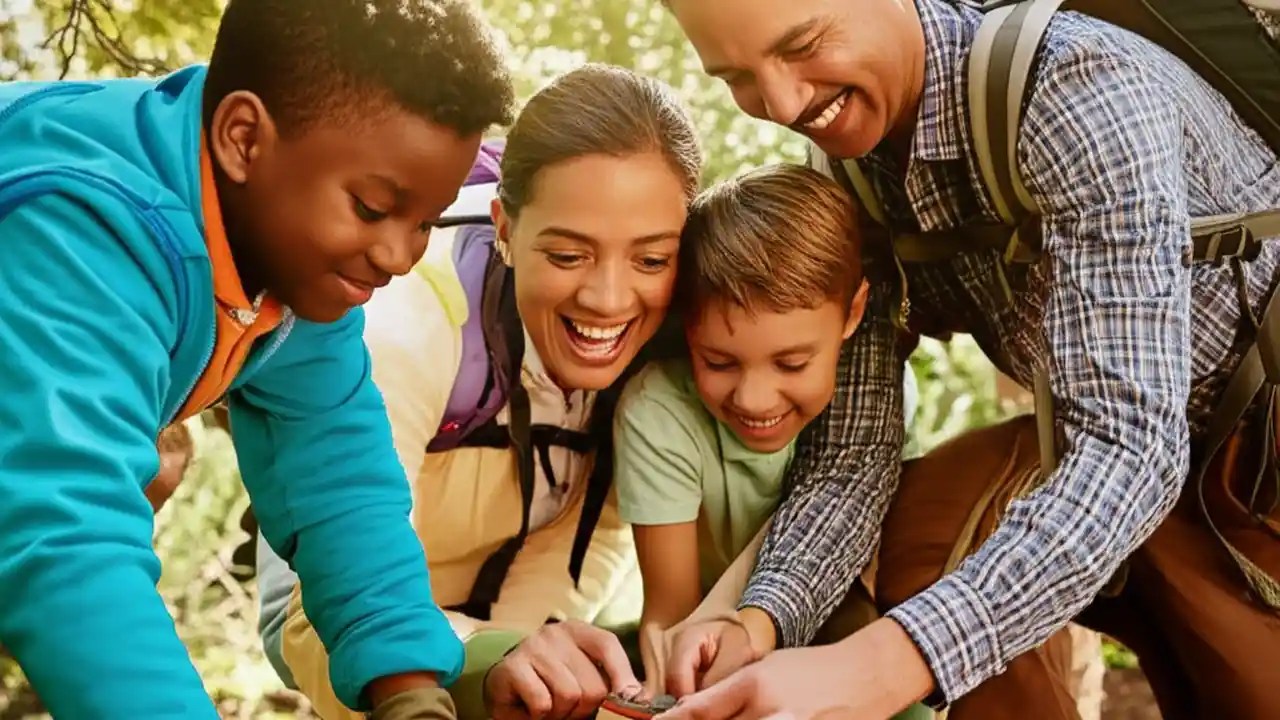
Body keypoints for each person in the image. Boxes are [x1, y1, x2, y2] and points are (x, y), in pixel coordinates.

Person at [652, 0, 1280, 719]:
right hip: (1112, 458)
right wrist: (759, 619)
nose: (783, 103)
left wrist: (886, 664)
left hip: (1248, 459)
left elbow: (1131, 446)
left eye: (804, 46)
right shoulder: (851, 174)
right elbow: (854, 450)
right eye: (738, 76)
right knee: (930, 527)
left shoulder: (1081, 90)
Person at [0, 0, 514, 717]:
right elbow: (68, 539)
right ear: (243, 138)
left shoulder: (291, 258)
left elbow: (337, 477)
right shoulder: (84, 230)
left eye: (424, 220)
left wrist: (411, 691)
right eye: (371, 207)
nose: (400, 255)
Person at [254, 63, 704, 720]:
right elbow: (318, 612)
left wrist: (526, 668)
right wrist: (485, 658)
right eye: (568, 255)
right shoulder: (402, 326)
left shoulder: (671, 351)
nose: (609, 299)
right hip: (327, 606)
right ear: (504, 228)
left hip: (497, 598)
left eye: (651, 259)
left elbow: (584, 549)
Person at [612, 164, 931, 720]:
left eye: (791, 362)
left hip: (853, 634)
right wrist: (676, 689)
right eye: (719, 361)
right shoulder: (659, 416)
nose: (755, 400)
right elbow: (671, 614)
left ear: (853, 313)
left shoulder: (877, 405)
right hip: (716, 642)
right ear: (688, 326)